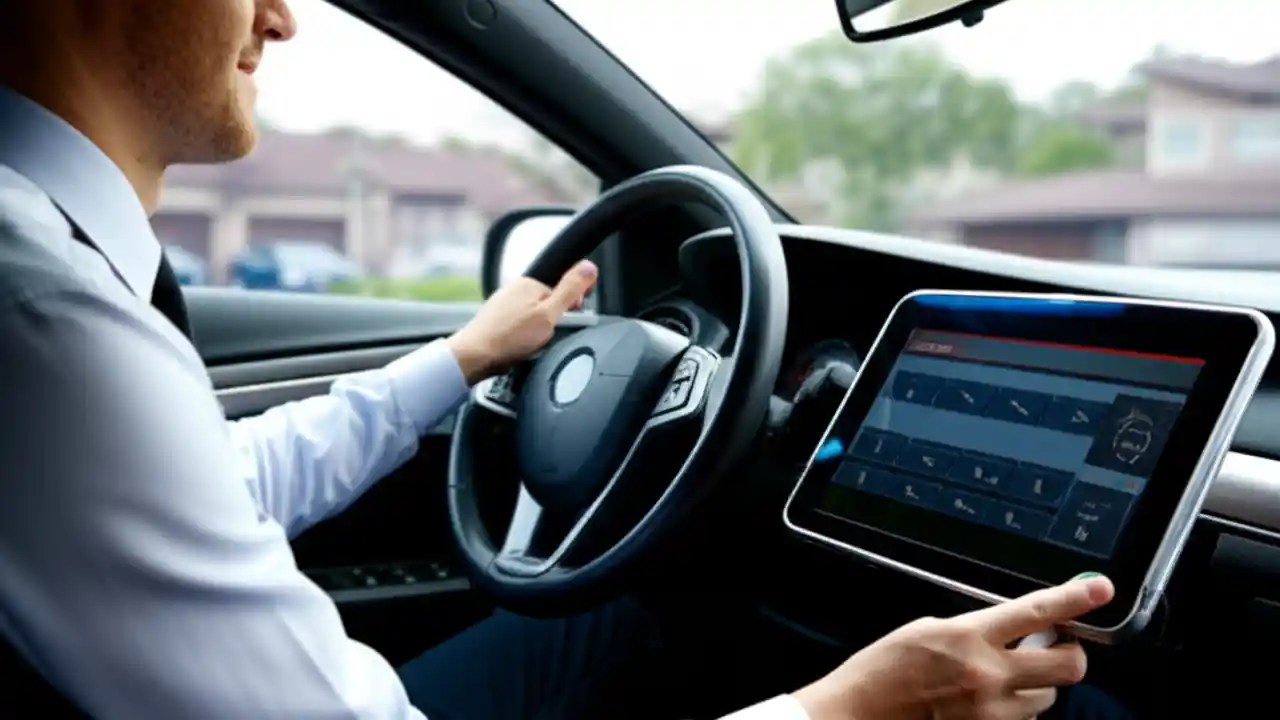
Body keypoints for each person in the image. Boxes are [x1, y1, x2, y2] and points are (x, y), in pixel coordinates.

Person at [0, 1, 1127, 718]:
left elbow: (210, 492)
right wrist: (846, 711)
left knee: (630, 612)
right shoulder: (39, 310)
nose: (282, 19)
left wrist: (458, 358)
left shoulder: (42, 263)